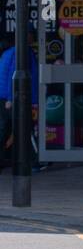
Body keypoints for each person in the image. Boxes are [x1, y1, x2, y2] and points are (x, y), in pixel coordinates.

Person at [0, 28, 39, 174]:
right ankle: (34, 161)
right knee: (25, 128)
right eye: (31, 35)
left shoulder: (10, 51)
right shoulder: (22, 52)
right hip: (13, 97)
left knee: (6, 129)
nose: (33, 38)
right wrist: (11, 98)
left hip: (5, 96)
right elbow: (14, 75)